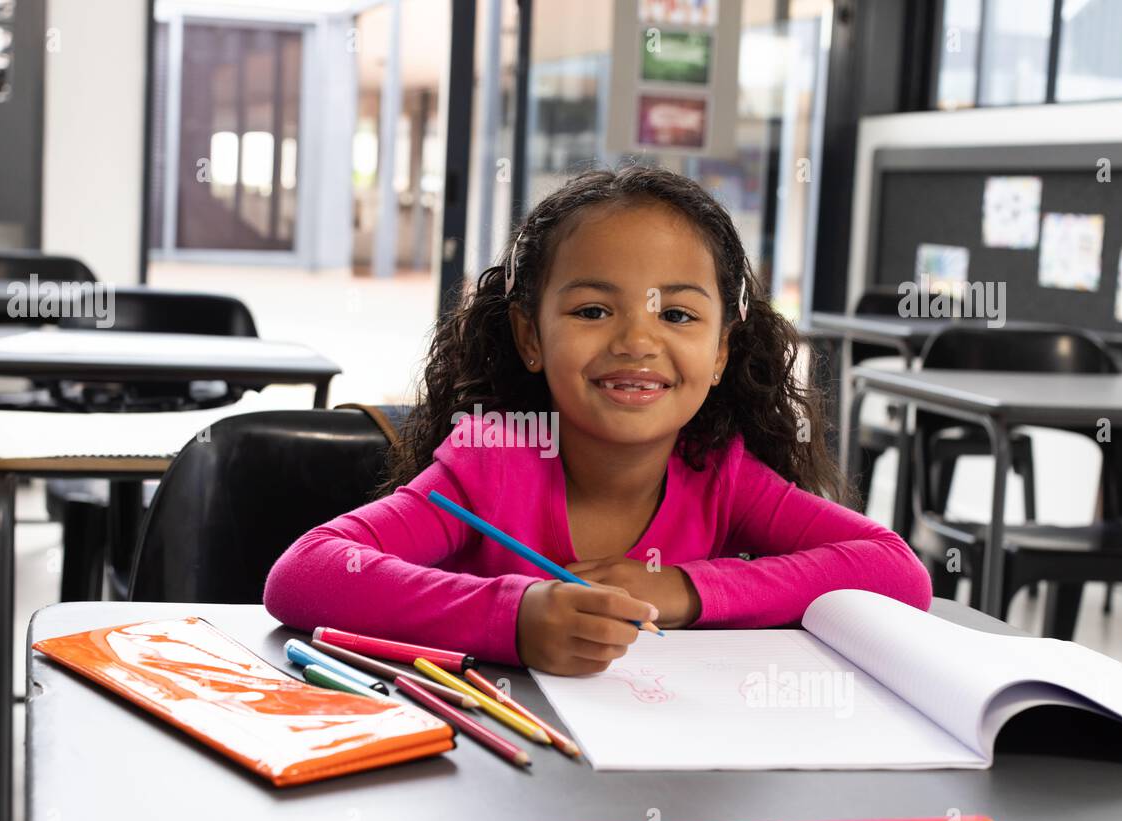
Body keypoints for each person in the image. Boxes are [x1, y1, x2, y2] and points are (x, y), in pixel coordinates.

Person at [265, 165, 932, 675]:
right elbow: (306, 572)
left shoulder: (721, 473)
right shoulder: (492, 461)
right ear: (531, 335)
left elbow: (898, 571)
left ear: (723, 347)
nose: (637, 342)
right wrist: (512, 618)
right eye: (592, 311)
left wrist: (679, 587)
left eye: (676, 314)